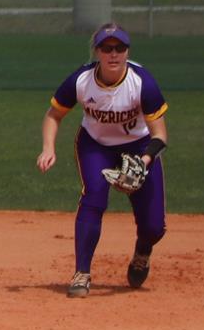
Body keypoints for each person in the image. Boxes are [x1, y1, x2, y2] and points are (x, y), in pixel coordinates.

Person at [37, 23, 169, 297]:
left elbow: (160, 135)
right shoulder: (81, 81)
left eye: (120, 48)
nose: (114, 54)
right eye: (107, 48)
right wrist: (48, 148)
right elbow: (53, 115)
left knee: (154, 226)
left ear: (127, 51)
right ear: (96, 51)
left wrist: (142, 162)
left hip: (139, 147)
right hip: (95, 145)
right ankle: (82, 273)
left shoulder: (142, 82)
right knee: (94, 197)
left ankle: (143, 251)